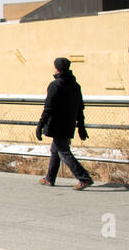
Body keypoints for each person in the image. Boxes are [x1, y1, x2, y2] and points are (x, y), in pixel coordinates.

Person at [36, 57, 93, 189]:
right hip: (69, 124)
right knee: (56, 150)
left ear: (57, 68)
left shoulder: (55, 85)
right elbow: (80, 107)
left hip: (57, 124)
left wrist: (40, 125)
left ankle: (84, 178)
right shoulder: (75, 85)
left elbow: (48, 108)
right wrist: (81, 126)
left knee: (63, 151)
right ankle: (50, 178)